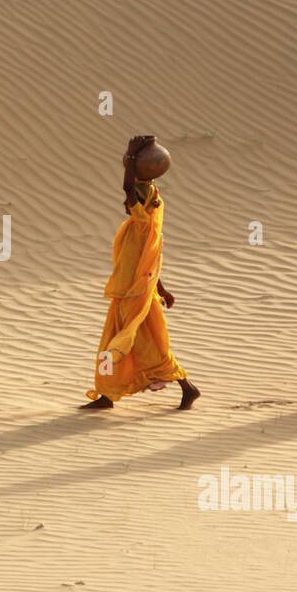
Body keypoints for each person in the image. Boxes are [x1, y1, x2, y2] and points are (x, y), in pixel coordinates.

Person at [82, 135, 200, 411]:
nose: (127, 204)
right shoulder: (148, 212)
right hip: (131, 291)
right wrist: (161, 289)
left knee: (131, 346)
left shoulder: (143, 219)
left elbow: (127, 192)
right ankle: (108, 395)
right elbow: (149, 260)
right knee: (127, 344)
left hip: (134, 293)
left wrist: (132, 160)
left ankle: (187, 387)